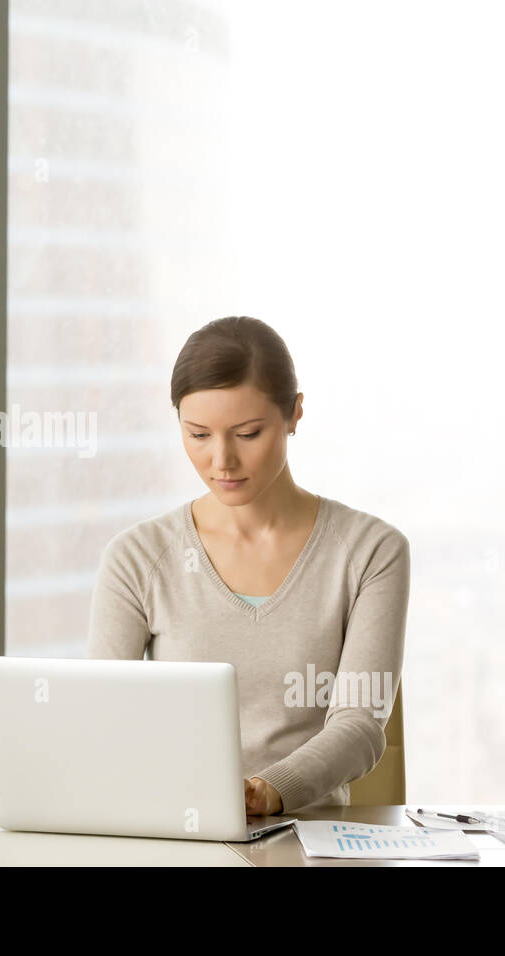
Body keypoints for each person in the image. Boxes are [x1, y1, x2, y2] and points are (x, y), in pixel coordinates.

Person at [86, 315, 410, 815]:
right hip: (178, 835)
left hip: (307, 842)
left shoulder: (371, 551)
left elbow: (361, 722)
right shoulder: (136, 558)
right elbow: (105, 719)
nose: (222, 461)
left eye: (248, 433)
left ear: (295, 414)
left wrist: (268, 791)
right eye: (197, 434)